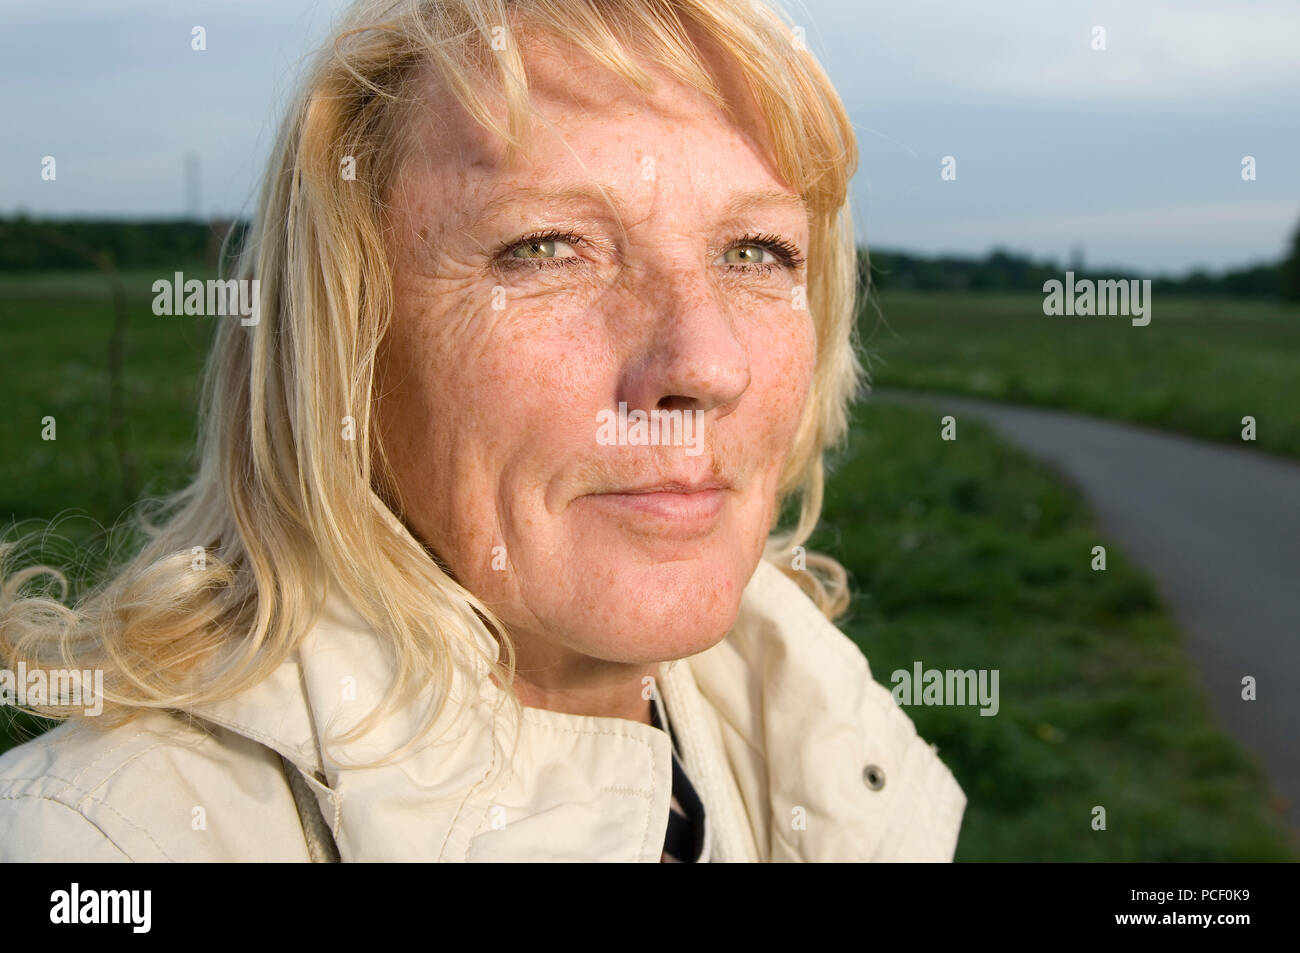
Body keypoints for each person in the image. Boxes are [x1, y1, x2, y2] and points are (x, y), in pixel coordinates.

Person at [0, 0, 964, 862]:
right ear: (344, 344)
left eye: (755, 251)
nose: (706, 364)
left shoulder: (822, 747)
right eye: (546, 249)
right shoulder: (97, 840)